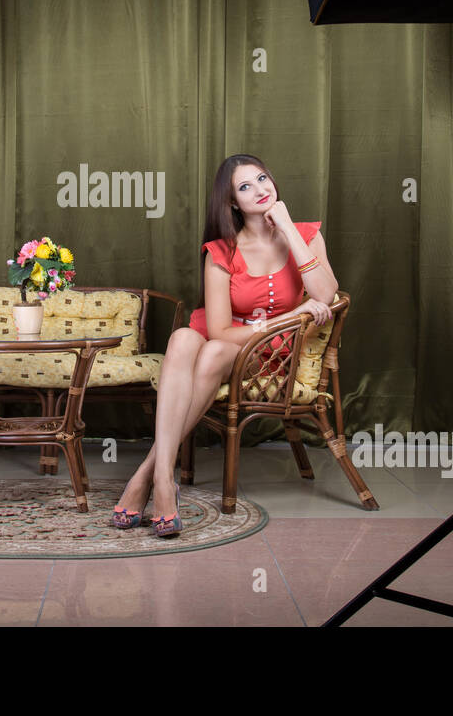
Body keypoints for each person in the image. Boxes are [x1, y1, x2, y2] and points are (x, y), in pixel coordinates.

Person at [112, 154, 339, 536]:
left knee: (211, 351)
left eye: (263, 178)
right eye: (245, 187)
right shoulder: (221, 250)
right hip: (228, 337)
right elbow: (218, 330)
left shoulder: (306, 234)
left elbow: (326, 292)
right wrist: (285, 317)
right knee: (186, 337)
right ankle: (165, 483)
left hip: (270, 352)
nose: (260, 189)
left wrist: (286, 226)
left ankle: (147, 475)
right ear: (233, 202)